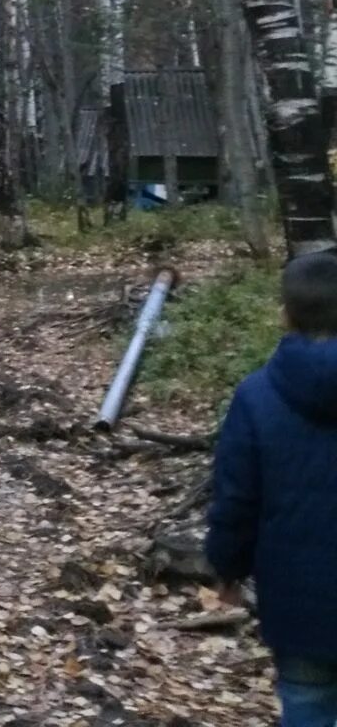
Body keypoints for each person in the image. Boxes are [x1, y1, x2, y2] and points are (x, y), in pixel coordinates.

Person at [208, 249, 337, 727]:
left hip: (299, 605)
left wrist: (227, 569)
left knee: (307, 706)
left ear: (285, 314)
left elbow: (237, 498)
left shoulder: (257, 395)